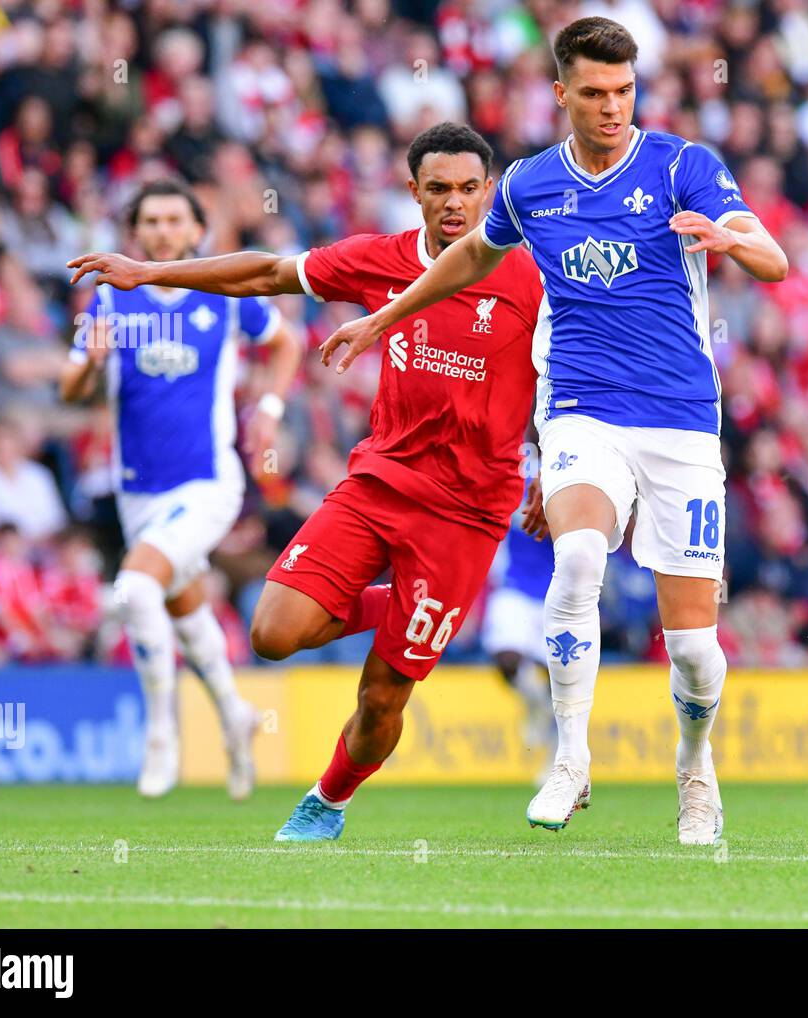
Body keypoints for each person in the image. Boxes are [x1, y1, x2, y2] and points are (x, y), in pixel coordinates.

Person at [315, 18, 788, 844]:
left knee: (692, 648)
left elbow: (773, 258)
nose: (613, 108)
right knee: (574, 558)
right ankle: (571, 758)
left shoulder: (683, 167)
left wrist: (731, 242)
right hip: (581, 409)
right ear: (561, 93)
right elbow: (466, 260)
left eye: (626, 91)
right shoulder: (531, 184)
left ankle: (695, 765)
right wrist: (380, 319)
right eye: (596, 93)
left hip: (679, 420)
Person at [68, 124, 546, 841]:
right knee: (272, 632)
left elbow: (568, 377)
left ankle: (328, 800)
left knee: (382, 702)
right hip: (380, 481)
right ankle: (407, 610)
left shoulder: (529, 274)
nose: (455, 204)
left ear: (490, 189)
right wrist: (152, 272)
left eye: (469, 188)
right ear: (413, 191)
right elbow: (265, 273)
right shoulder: (381, 258)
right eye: (439, 189)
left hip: (468, 513)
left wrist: (552, 468)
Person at [61, 179, 302, 800]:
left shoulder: (222, 298)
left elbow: (287, 342)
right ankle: (235, 715)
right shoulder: (111, 303)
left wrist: (270, 407)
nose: (164, 231)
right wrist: (88, 363)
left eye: (175, 220)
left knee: (136, 586)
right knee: (178, 599)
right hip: (137, 490)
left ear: (198, 232)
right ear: (134, 235)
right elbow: (69, 389)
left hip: (208, 483)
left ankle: (161, 736)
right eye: (151, 222)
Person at [481, 479, 557, 767]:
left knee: (559, 677)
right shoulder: (511, 482)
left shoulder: (569, 484)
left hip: (556, 592)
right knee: (506, 658)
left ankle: (554, 762)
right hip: (515, 586)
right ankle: (535, 703)